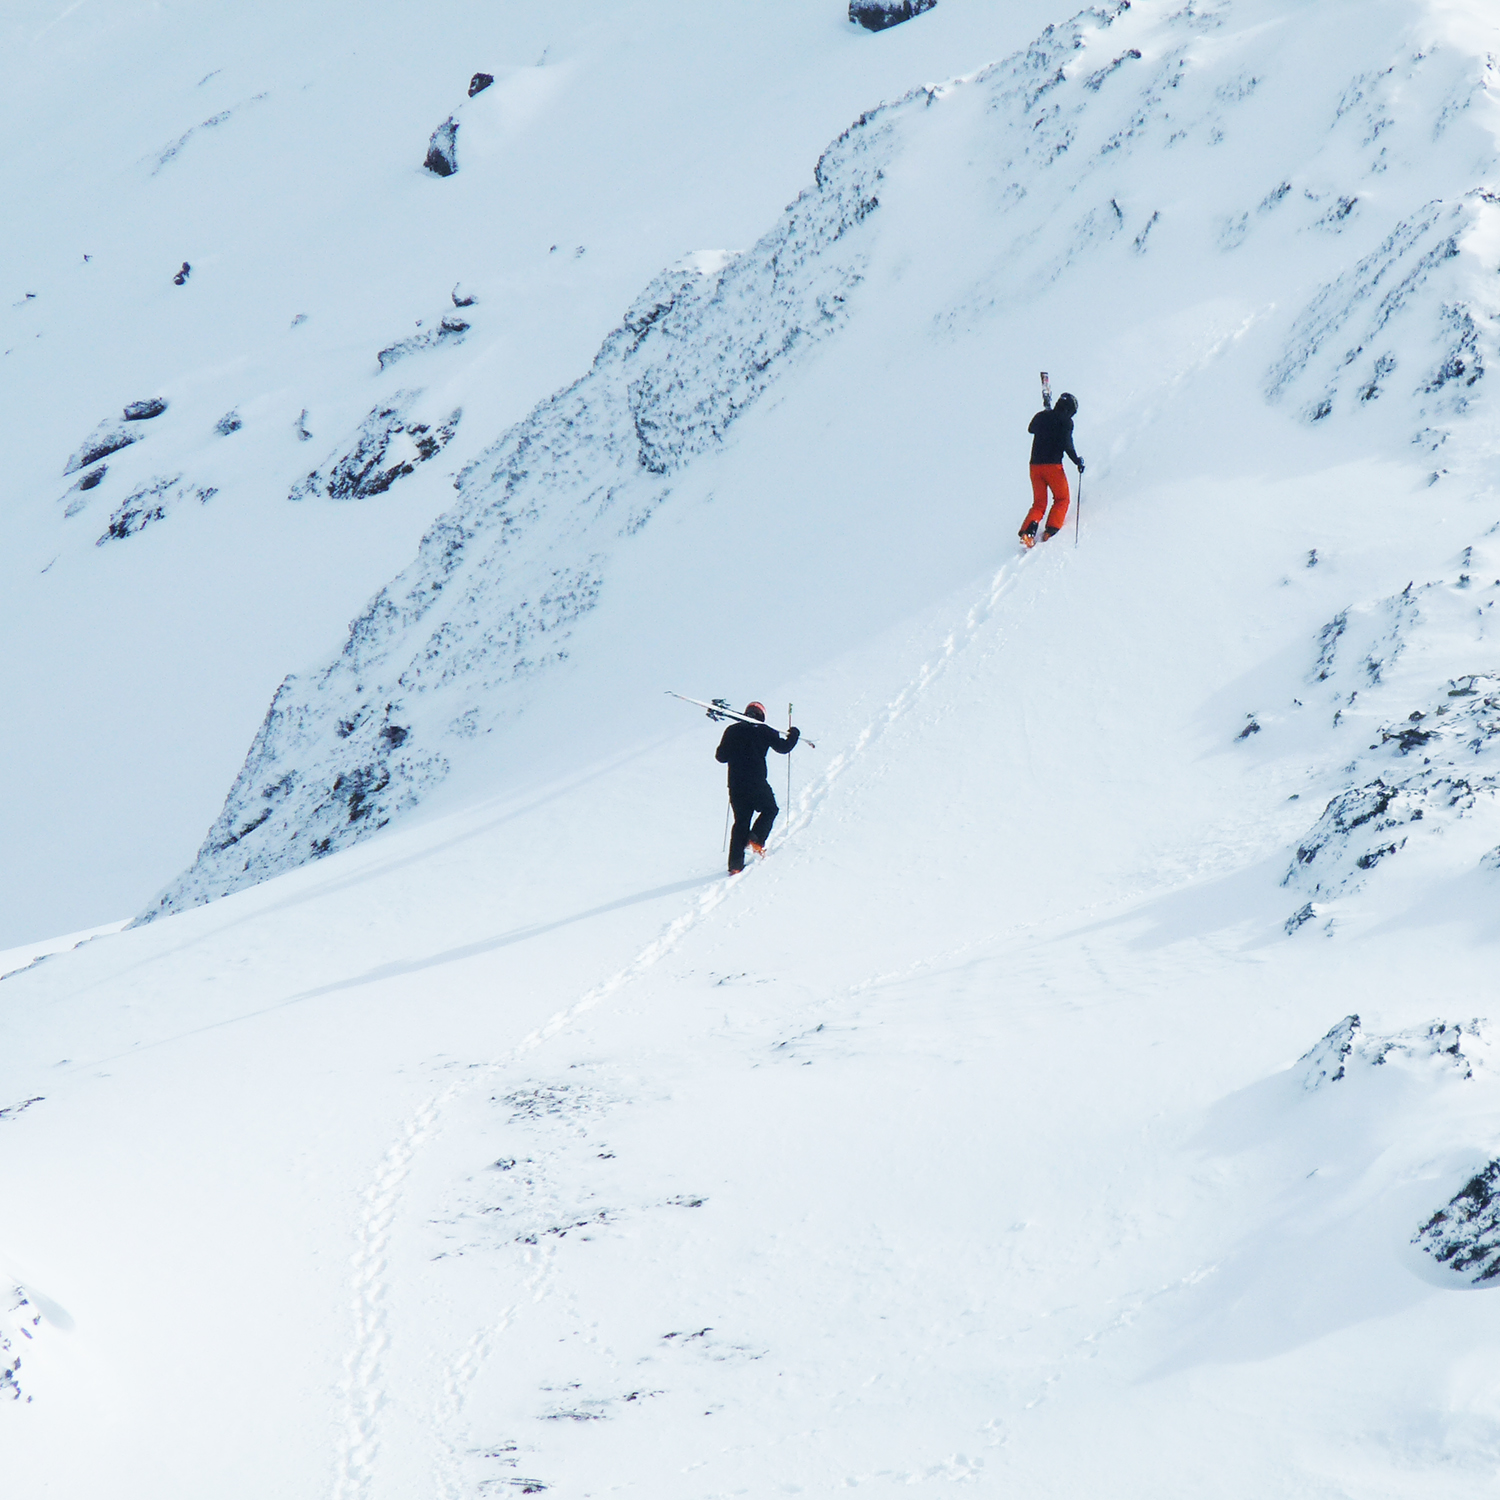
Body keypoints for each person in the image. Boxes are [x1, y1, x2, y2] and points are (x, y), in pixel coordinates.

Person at [715, 702, 799, 875]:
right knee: (770, 809)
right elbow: (784, 748)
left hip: (736, 784)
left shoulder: (732, 730)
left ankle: (735, 865)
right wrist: (794, 734)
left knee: (741, 822)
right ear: (762, 716)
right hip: (756, 782)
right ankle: (756, 838)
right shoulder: (765, 730)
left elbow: (721, 757)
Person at [1019, 391, 1084, 546]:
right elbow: (1067, 444)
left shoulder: (1041, 416)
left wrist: (1047, 415)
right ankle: (1050, 530)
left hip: (1034, 466)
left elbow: (1031, 429)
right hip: (1053, 467)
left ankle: (1027, 533)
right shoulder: (1066, 422)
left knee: (1039, 503)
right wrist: (1077, 461)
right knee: (1062, 498)